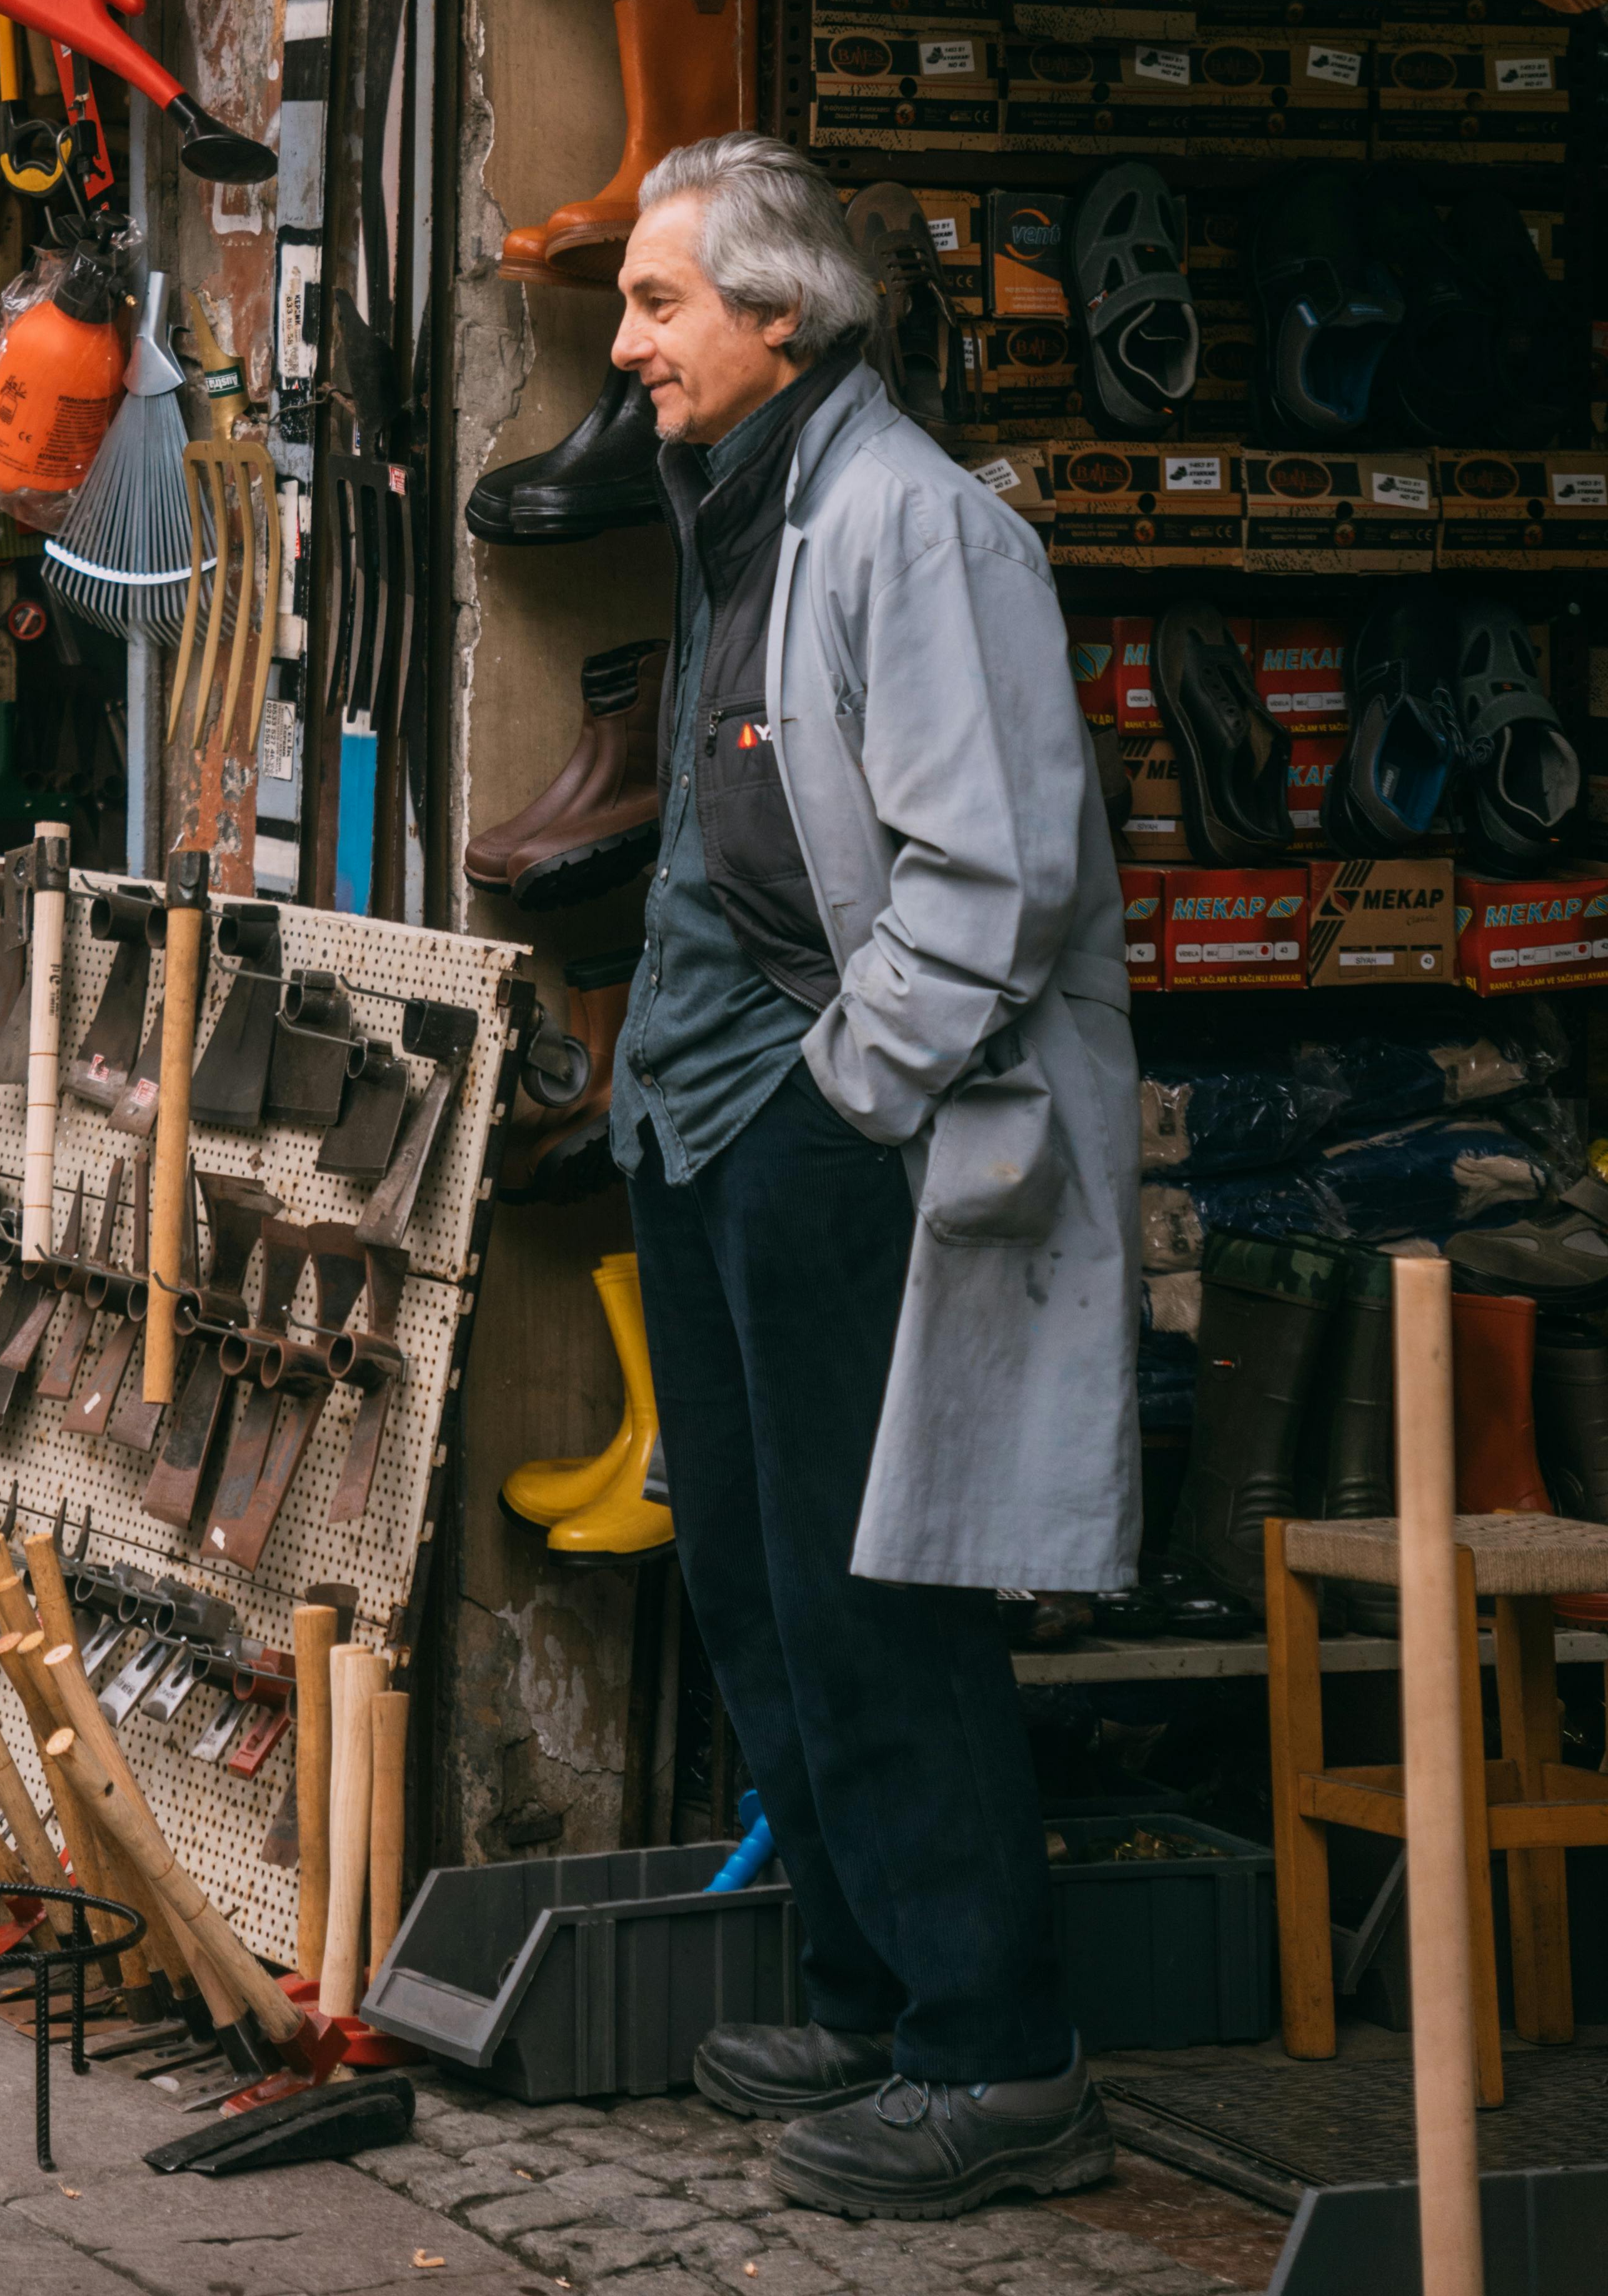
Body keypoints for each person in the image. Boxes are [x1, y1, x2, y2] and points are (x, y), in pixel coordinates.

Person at [606, 131, 1139, 2224]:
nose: (628, 342)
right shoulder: (749, 502)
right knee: (752, 1578)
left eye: (660, 302)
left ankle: (997, 2059)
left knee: (874, 1592)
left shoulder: (924, 527)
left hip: (828, 1128)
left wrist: (847, 1096)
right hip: (711, 1114)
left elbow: (988, 873)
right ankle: (858, 1983)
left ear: (782, 316)